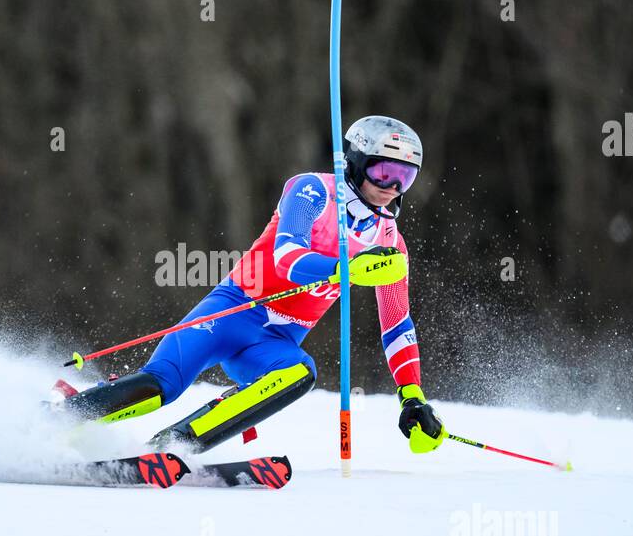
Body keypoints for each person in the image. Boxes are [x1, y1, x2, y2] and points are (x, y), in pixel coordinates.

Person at [61, 115, 446, 455]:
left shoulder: (390, 243)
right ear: (357, 162)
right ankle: (55, 421)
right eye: (383, 172)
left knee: (300, 374)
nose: (392, 187)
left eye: (405, 177)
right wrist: (346, 268)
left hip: (275, 343)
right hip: (234, 310)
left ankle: (171, 448)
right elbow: (288, 257)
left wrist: (411, 397)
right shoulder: (313, 191)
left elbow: (397, 324)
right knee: (164, 385)